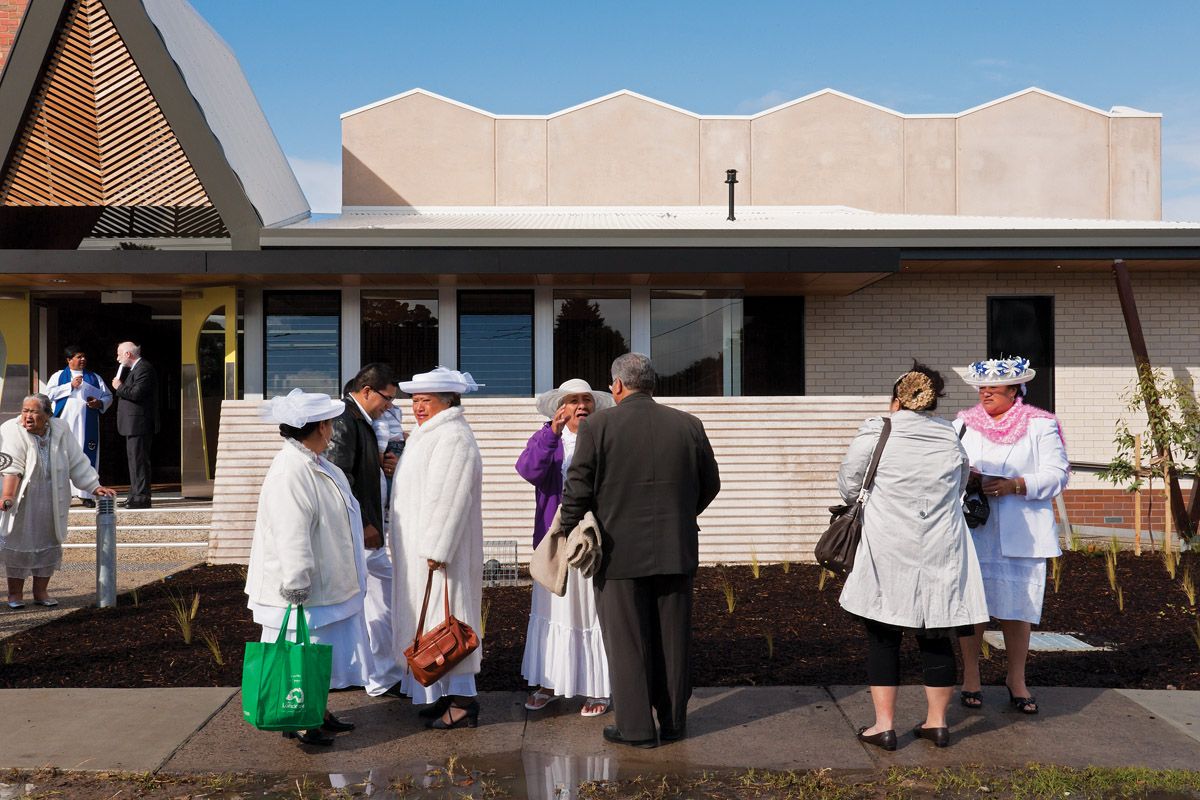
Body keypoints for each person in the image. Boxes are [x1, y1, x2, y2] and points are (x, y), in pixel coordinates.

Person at [558, 353, 720, 749]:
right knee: (673, 639)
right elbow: (710, 483)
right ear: (653, 384)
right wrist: (680, 515)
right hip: (676, 548)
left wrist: (565, 529)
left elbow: (578, 486)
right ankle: (674, 723)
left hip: (617, 554)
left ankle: (636, 729)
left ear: (616, 386)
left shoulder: (597, 426)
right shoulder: (689, 424)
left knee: (627, 642)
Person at [837, 363, 989, 751]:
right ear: (934, 401)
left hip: (887, 545)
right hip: (941, 544)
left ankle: (884, 726)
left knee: (883, 635)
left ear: (895, 399)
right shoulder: (951, 438)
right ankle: (937, 724)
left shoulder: (877, 432)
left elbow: (850, 485)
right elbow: (957, 488)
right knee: (936, 632)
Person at [244, 388, 372, 747]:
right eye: (329, 424)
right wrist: (296, 581)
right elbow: (291, 531)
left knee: (314, 653)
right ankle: (301, 718)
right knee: (302, 651)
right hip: (306, 588)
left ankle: (315, 710)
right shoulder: (292, 469)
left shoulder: (312, 463)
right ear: (317, 428)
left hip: (322, 583)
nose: (332, 431)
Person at [955, 356, 1069, 717]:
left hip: (1023, 530)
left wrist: (1017, 484)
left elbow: (1057, 473)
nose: (985, 394)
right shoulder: (962, 424)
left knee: (1018, 607)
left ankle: (1016, 679)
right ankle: (970, 677)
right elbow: (946, 467)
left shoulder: (1040, 425)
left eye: (993, 388)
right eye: (982, 388)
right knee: (971, 604)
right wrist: (969, 477)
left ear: (1015, 390)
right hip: (976, 528)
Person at [390, 367, 485, 730]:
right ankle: (444, 694)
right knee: (434, 628)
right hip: (425, 552)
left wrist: (438, 548)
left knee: (449, 627)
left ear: (448, 402)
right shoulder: (432, 434)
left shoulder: (453, 437)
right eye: (415, 401)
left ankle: (464, 702)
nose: (418, 408)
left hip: (443, 557)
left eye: (425, 401)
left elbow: (451, 498)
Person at [517, 378, 614, 717]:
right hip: (553, 538)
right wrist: (552, 434)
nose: (581, 406)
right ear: (561, 408)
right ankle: (548, 682)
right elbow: (529, 470)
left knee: (589, 613)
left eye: (586, 400)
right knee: (552, 611)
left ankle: (598, 688)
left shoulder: (603, 437)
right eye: (573, 401)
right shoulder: (548, 438)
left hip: (591, 539)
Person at [326, 364, 407, 698]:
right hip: (360, 532)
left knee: (382, 600)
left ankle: (380, 674)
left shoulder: (364, 420)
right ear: (367, 391)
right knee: (370, 602)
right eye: (386, 398)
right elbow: (340, 478)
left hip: (370, 525)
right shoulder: (347, 420)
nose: (389, 405)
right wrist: (364, 524)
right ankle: (372, 675)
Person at [1, 394, 117, 608]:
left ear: (47, 415)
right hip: (23, 498)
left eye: (33, 412)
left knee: (49, 542)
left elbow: (77, 460)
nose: (27, 416)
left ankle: (41, 592)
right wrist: (8, 496)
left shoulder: (60, 429)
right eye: (25, 410)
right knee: (19, 542)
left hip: (52, 497)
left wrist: (94, 485)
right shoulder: (11, 429)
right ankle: (14, 595)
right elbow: (11, 465)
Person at [44, 345, 112, 508]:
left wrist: (99, 403)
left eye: (84, 356)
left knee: (85, 456)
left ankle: (86, 494)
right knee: (63, 455)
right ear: (69, 360)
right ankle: (63, 494)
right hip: (64, 423)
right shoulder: (59, 376)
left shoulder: (94, 377)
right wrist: (70, 386)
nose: (83, 359)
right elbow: (48, 395)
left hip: (86, 424)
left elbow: (108, 396)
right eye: (79, 356)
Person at [111, 341, 158, 509]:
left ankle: (141, 497)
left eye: (119, 354)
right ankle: (134, 494)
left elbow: (137, 393)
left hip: (139, 423)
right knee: (134, 461)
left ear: (128, 354)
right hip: (133, 424)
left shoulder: (143, 368)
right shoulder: (135, 369)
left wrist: (119, 387)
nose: (117, 358)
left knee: (139, 460)